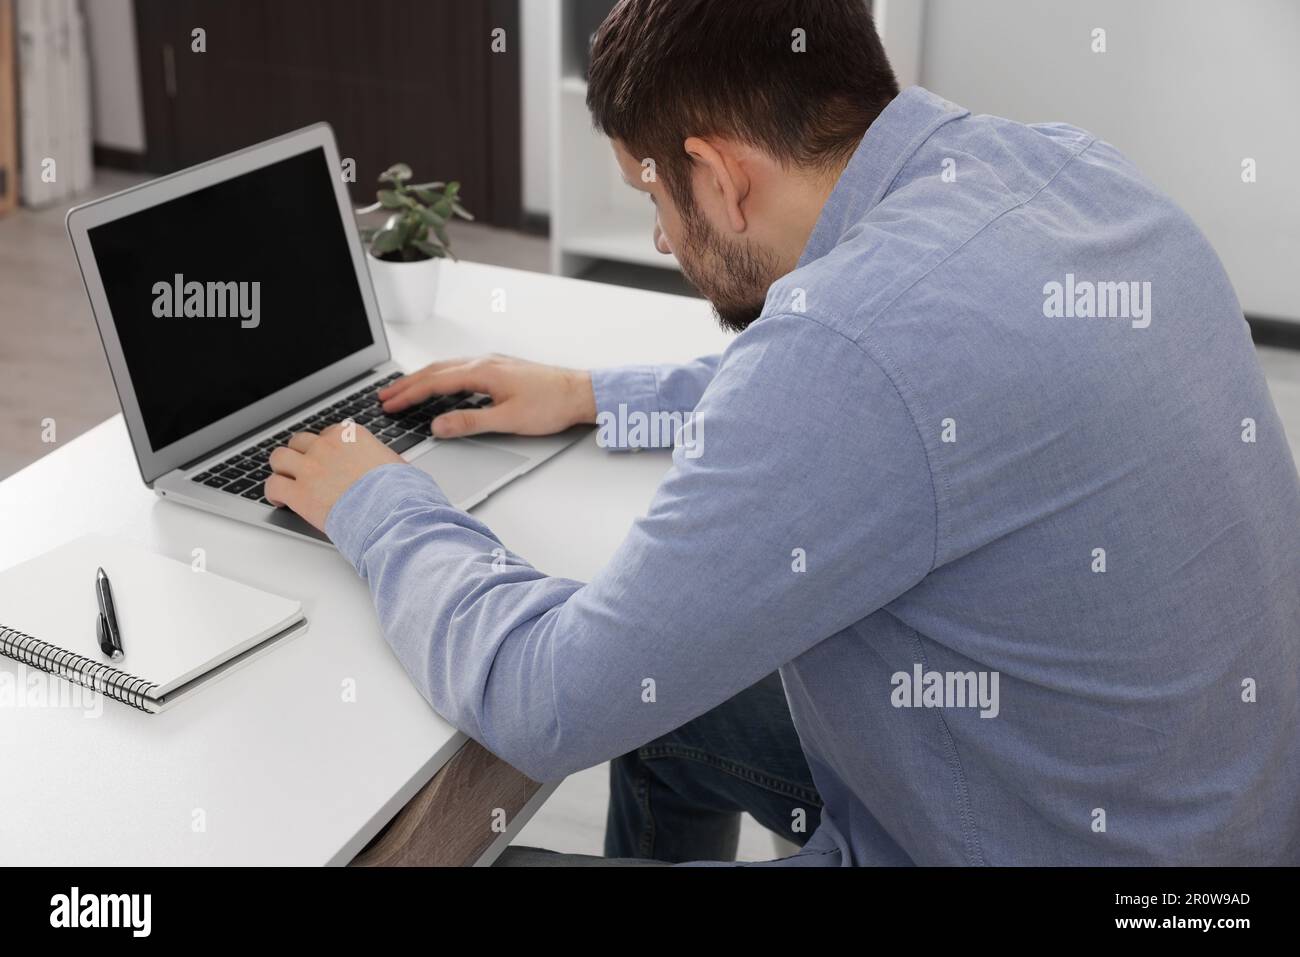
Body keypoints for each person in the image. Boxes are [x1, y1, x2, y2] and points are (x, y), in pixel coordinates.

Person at [264, 0, 1300, 865]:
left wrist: (379, 503)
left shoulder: (846, 353)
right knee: (666, 715)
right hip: (1203, 819)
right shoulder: (1064, 170)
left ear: (719, 177)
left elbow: (546, 699)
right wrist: (592, 394)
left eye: (652, 194)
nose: (661, 236)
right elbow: (902, 390)